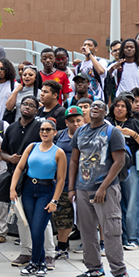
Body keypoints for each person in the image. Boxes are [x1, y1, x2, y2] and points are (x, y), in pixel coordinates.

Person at [69, 100, 129, 277]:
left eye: (99, 106)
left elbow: (119, 161)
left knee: (111, 230)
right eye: (92, 106)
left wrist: (103, 187)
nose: (95, 108)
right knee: (86, 230)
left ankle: (120, 272)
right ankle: (94, 269)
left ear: (105, 112)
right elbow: (74, 161)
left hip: (106, 189)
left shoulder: (113, 132)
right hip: (82, 188)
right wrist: (71, 187)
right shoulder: (80, 131)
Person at [10, 120, 67, 277]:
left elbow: (61, 179)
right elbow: (20, 167)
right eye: (42, 129)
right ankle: (40, 262)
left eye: (48, 130)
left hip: (46, 190)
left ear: (54, 132)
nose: (44, 132)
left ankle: (35, 262)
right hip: (29, 189)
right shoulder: (32, 147)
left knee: (37, 229)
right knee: (31, 228)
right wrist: (12, 188)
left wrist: (54, 201)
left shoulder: (58, 152)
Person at [108, 95, 139, 250]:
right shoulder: (108, 123)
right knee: (117, 203)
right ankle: (122, 237)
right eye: (117, 105)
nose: (119, 108)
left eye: (123, 106)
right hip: (112, 167)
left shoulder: (134, 122)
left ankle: (136, 238)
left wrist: (131, 133)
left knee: (133, 202)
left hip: (131, 166)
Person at [50, 106, 84, 256]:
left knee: (86, 217)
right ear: (66, 122)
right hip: (62, 184)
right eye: (72, 121)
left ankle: (93, 246)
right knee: (62, 216)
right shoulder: (60, 137)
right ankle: (62, 246)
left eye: (78, 120)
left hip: (83, 184)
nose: (75, 124)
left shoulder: (88, 136)